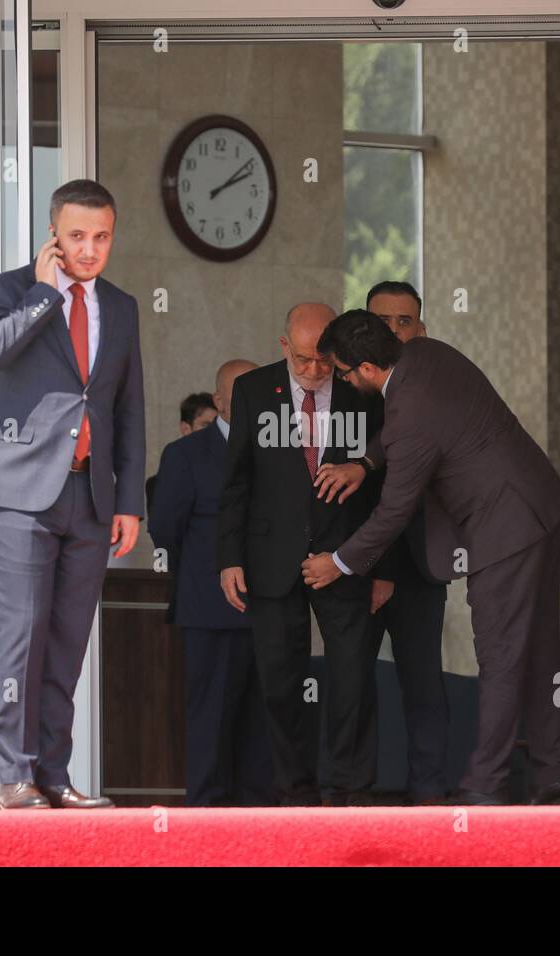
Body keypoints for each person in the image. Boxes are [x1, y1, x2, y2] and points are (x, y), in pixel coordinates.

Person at [302, 311, 560, 806]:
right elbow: (405, 431)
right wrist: (365, 463)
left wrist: (340, 562)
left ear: (367, 368)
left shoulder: (410, 415)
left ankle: (484, 784)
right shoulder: (426, 354)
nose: (342, 380)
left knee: (499, 654)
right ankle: (558, 772)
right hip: (537, 501)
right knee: (538, 649)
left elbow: (393, 513)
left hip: (504, 525)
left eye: (344, 373)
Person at [0, 178, 144, 810]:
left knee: (67, 640)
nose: (89, 251)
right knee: (23, 630)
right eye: (76, 237)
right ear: (53, 236)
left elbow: (128, 408)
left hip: (89, 496)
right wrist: (44, 297)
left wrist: (129, 502)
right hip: (16, 492)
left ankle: (55, 777)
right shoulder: (9, 291)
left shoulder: (120, 307)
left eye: (101, 237)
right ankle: (14, 775)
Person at [217, 303, 389, 807]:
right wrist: (230, 558)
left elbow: (387, 488)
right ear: (283, 348)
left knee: (353, 678)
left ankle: (351, 789)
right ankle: (295, 792)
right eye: (303, 361)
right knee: (280, 683)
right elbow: (236, 483)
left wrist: (384, 568)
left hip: (348, 558)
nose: (315, 372)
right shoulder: (253, 391)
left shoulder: (362, 394)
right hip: (271, 558)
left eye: (324, 360)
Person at [149, 360, 273, 807]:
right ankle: (206, 819)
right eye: (238, 393)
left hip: (273, 612)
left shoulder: (283, 447)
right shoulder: (185, 454)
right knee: (211, 722)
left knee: (265, 724)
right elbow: (165, 528)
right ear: (218, 401)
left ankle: (259, 820)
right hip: (210, 611)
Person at [355, 282, 450, 805]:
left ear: (422, 331)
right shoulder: (348, 393)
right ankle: (353, 798)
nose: (393, 331)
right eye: (381, 322)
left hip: (420, 565)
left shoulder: (439, 393)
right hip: (355, 568)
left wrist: (388, 569)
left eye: (404, 321)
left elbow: (418, 488)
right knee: (351, 687)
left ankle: (430, 801)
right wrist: (372, 567)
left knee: (424, 687)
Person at [146, 393, 218, 515]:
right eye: (205, 425)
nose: (213, 431)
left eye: (217, 425)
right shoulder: (160, 483)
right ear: (186, 429)